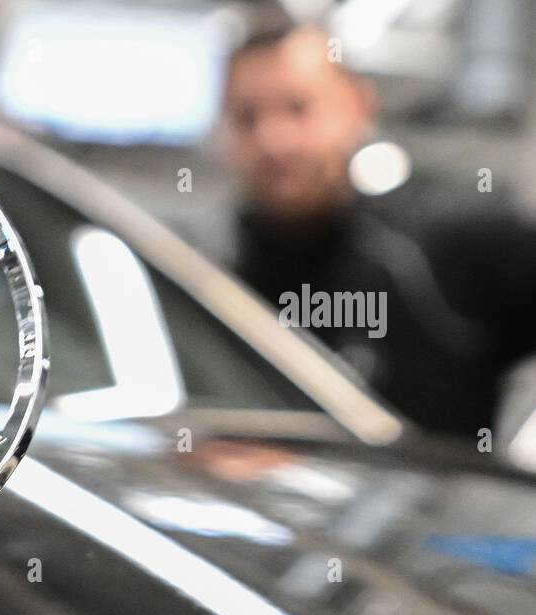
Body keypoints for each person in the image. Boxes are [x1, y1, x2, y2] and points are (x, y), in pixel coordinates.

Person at [220, 18, 536, 439]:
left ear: (359, 107)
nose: (274, 141)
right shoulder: (205, 267)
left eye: (299, 108)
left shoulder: (451, 235)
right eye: (247, 118)